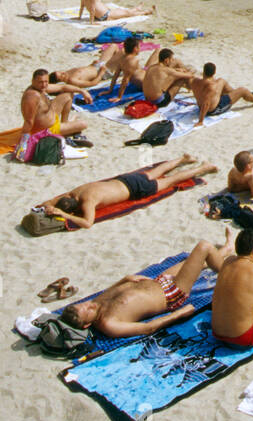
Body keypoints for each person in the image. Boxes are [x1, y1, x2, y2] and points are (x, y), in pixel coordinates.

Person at [60, 233, 236, 336]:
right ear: (86, 325)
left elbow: (112, 290)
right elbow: (147, 328)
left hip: (158, 281)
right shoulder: (108, 324)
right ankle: (233, 275)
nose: (90, 304)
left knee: (192, 262)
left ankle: (224, 252)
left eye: (85, 304)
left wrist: (126, 279)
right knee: (203, 247)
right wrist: (180, 314)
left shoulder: (95, 304)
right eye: (88, 310)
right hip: (172, 294)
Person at [40, 154, 216, 229]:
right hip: (126, 179)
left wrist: (66, 215)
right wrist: (49, 207)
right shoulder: (75, 191)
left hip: (136, 189)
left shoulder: (88, 202)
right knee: (157, 171)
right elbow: (51, 200)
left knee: (172, 180)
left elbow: (87, 223)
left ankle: (203, 167)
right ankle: (182, 159)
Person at [18, 68, 91, 158]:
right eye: (40, 82)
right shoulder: (32, 96)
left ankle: (65, 125)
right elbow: (29, 121)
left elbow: (62, 87)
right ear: (33, 81)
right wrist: (23, 143)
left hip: (50, 115)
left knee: (68, 94)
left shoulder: (41, 88)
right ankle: (66, 131)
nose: (44, 85)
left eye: (46, 82)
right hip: (46, 129)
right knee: (83, 124)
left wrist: (82, 91)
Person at [188, 62, 253, 126]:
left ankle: (242, 93)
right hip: (214, 110)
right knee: (242, 90)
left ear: (203, 72)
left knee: (221, 81)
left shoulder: (194, 81)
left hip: (202, 106)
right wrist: (200, 121)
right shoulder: (212, 87)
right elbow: (206, 104)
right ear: (214, 73)